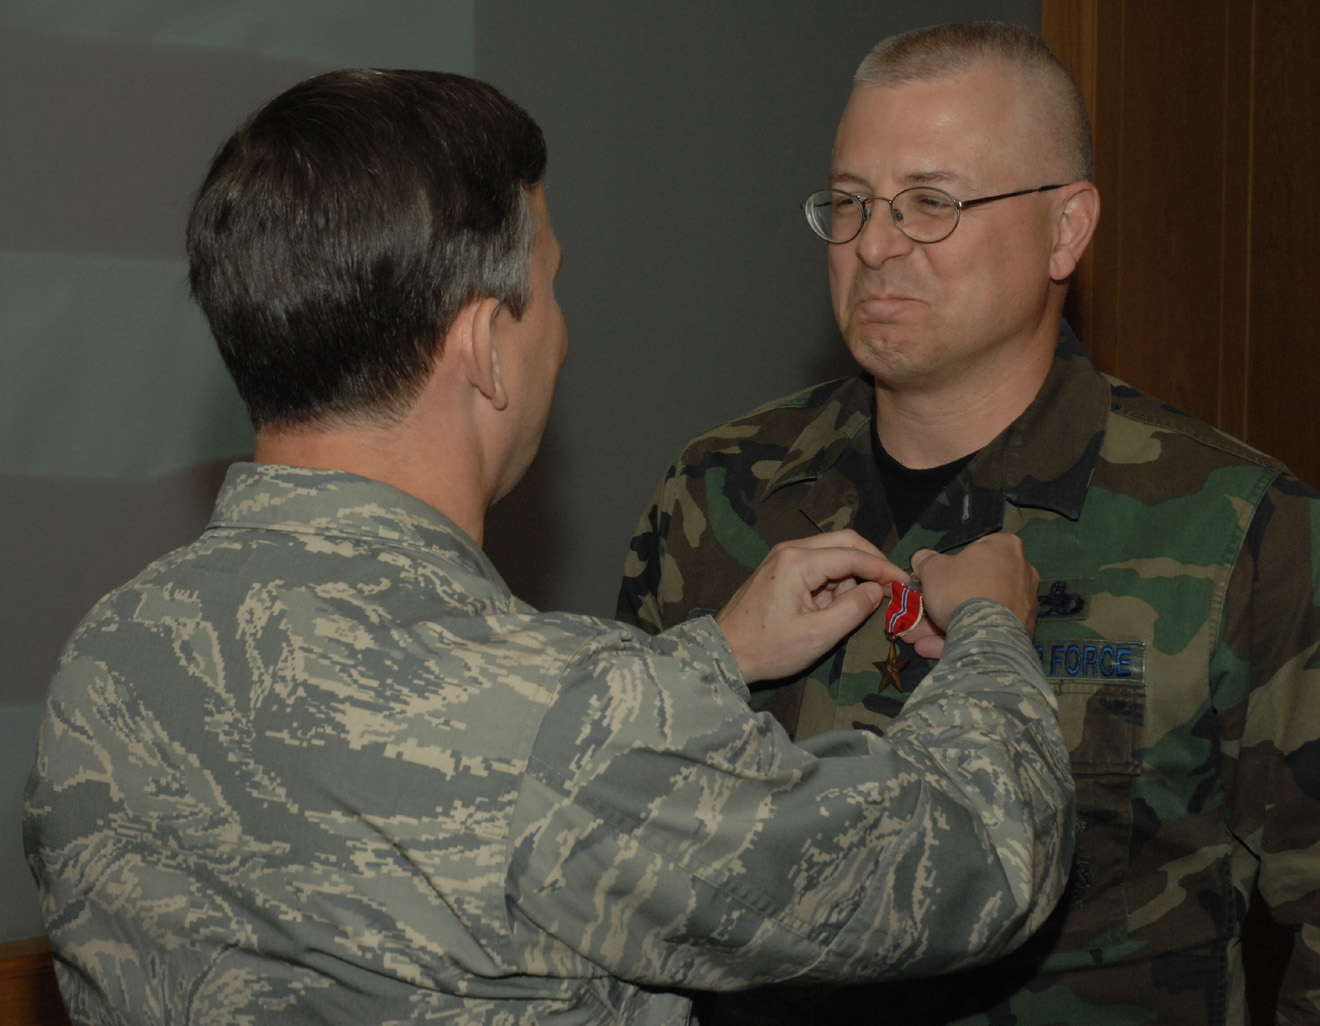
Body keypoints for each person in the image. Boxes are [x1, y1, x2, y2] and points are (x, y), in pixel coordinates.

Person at [21, 69, 1077, 1025]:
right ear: (486, 345)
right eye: (553, 289)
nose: (561, 332)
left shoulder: (107, 661)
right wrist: (989, 629)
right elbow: (974, 861)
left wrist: (708, 657)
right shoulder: (570, 729)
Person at [617, 21, 1320, 1026]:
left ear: (1066, 229)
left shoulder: (1241, 532)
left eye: (930, 204)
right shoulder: (719, 494)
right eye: (850, 204)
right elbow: (612, 863)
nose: (875, 246)